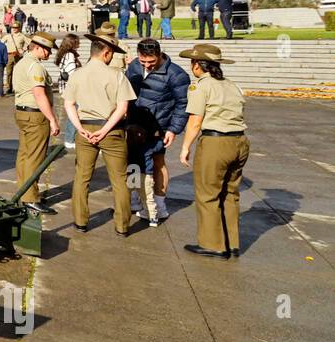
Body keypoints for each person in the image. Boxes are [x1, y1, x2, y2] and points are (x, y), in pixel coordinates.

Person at [179, 44, 249, 259]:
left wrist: (185, 147)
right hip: (240, 141)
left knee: (207, 194)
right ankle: (232, 243)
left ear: (198, 65)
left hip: (215, 142)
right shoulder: (231, 85)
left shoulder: (201, 86)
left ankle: (213, 244)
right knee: (230, 194)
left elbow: (195, 120)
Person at [63, 31, 135, 237]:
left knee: (82, 177)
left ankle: (80, 221)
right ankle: (122, 225)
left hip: (85, 129)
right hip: (110, 130)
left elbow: (69, 104)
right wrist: (104, 130)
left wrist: (79, 128)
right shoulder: (116, 75)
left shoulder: (78, 74)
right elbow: (122, 108)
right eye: (112, 54)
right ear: (106, 53)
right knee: (119, 179)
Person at [125, 38, 189, 225]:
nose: (147, 65)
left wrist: (173, 129)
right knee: (133, 161)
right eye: (143, 61)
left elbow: (183, 104)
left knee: (158, 162)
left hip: (158, 127)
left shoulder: (176, 75)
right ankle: (135, 198)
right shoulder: (135, 66)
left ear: (160, 55)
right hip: (134, 124)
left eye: (151, 62)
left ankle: (159, 205)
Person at [12, 31, 61, 215]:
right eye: (47, 50)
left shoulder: (22, 62)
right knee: (35, 158)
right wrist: (53, 119)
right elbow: (39, 95)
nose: (49, 54)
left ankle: (24, 192)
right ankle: (30, 198)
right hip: (35, 115)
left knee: (24, 156)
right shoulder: (35, 66)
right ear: (38, 47)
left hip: (22, 113)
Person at [54, 34, 82, 149]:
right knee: (74, 113)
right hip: (71, 87)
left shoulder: (64, 54)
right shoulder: (70, 55)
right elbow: (71, 73)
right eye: (77, 42)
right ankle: (70, 139)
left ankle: (70, 138)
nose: (79, 44)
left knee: (72, 112)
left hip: (65, 86)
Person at [5, 23, 29, 95]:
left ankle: (19, 88)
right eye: (13, 27)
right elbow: (1, 42)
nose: (14, 29)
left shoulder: (22, 36)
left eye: (16, 27)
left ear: (19, 28)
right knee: (9, 72)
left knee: (19, 72)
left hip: (18, 55)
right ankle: (9, 88)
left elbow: (29, 42)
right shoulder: (8, 36)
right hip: (9, 55)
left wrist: (23, 49)